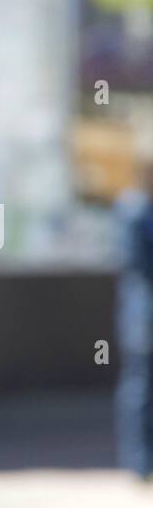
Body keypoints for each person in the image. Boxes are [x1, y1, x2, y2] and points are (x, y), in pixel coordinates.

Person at [113, 155, 153, 482]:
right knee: (140, 389)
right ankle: (140, 462)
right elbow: (136, 262)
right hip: (143, 318)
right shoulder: (134, 211)